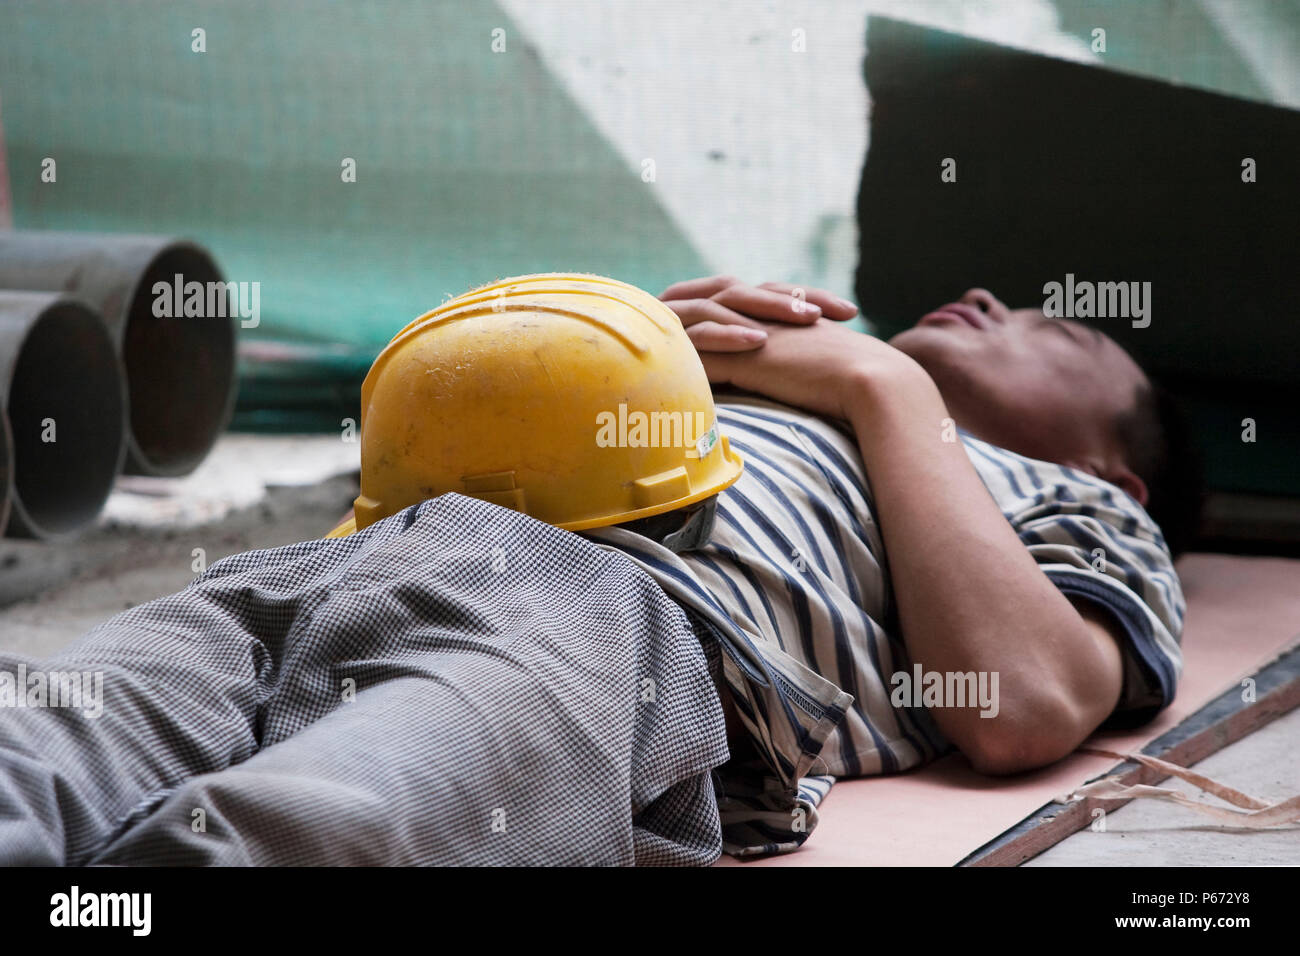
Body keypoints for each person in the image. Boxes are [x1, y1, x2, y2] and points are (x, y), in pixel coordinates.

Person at [0, 273, 1194, 865]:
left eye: (1066, 329)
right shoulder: (768, 370)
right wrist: (611, 335)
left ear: (1116, 468)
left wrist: (888, 385)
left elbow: (1022, 702)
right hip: (360, 553)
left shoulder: (1077, 506)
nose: (990, 297)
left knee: (323, 816)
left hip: (625, 617)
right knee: (72, 719)